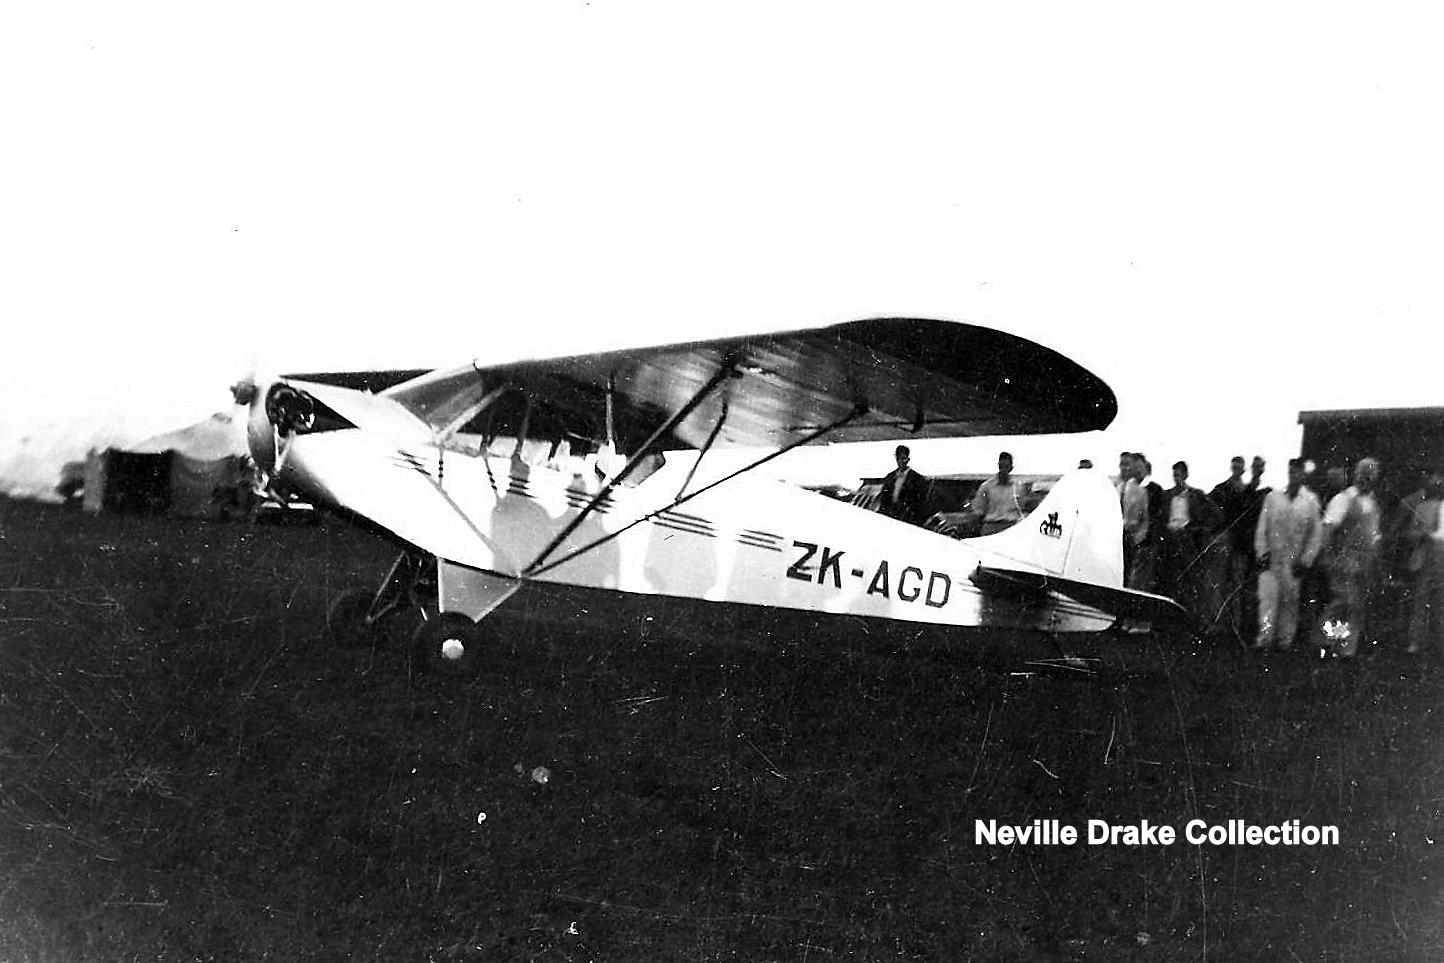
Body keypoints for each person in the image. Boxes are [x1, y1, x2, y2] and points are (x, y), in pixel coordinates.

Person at [1252, 458, 1323, 652]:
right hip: (1272, 557)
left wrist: (1306, 560)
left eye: (1298, 472)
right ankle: (1264, 639)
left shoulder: (1310, 501)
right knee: (1267, 600)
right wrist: (1262, 552)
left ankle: (1285, 641)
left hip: (1294, 560)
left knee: (1289, 601)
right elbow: (1262, 527)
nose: (1294, 476)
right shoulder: (1273, 497)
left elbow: (1315, 535)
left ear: (1303, 475)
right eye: (1291, 472)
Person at [1319, 457, 1384, 659]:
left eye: (1370, 476)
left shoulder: (1373, 503)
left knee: (1357, 606)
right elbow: (1328, 529)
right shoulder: (1343, 499)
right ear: (1356, 475)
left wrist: (1374, 555)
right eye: (1363, 475)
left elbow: (1374, 534)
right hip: (1342, 561)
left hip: (1363, 562)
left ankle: (1346, 648)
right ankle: (1325, 640)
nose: (1366, 480)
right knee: (1342, 602)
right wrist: (1329, 556)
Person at [1208, 456, 1266, 640]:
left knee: (1237, 586)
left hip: (1240, 545)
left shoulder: (1248, 491)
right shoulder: (1220, 489)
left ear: (1243, 469)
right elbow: (1209, 508)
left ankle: (1235, 625)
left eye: (1239, 466)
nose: (1237, 468)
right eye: (1234, 465)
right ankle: (1218, 623)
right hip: (1225, 542)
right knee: (1219, 584)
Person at [1157, 461, 1218, 612]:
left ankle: (1188, 612)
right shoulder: (1167, 495)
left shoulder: (1196, 495)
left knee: (1189, 579)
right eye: (1174, 475)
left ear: (1186, 475)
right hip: (1169, 540)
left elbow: (1215, 515)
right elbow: (1159, 519)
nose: (1177, 479)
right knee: (1169, 577)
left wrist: (1198, 530)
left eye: (1179, 475)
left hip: (1188, 539)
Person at [1404, 469, 1444, 655]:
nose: (1437, 487)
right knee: (1420, 601)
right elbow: (1410, 533)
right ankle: (1416, 641)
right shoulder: (1422, 508)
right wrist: (1422, 534)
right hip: (1425, 558)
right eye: (1433, 484)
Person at [968, 451, 1025, 535]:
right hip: (992, 526)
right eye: (1001, 467)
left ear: (1011, 468)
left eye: (1006, 467)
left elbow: (1023, 508)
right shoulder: (986, 487)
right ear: (998, 466)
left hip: (1012, 525)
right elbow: (978, 509)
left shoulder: (1018, 487)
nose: (1003, 470)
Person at [1119, 453, 1150, 588]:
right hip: (1119, 535)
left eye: (1128, 464)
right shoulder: (1119, 486)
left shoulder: (1140, 491)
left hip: (1132, 537)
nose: (1124, 468)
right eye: (1122, 464)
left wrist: (1137, 538)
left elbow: (1143, 518)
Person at [878, 445, 930, 526]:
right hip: (889, 517)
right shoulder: (890, 477)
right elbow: (884, 499)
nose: (900, 461)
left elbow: (919, 503)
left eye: (903, 458)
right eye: (898, 458)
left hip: (907, 519)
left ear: (908, 459)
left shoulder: (917, 479)